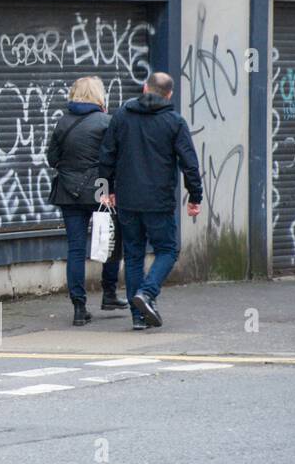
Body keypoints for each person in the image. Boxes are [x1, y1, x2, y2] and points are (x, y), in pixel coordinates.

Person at [98, 71, 204, 330]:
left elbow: (107, 154)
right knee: (168, 250)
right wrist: (195, 196)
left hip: (128, 200)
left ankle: (138, 317)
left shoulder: (122, 115)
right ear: (169, 94)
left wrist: (106, 188)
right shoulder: (174, 121)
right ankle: (147, 294)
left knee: (133, 255)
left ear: (145, 89)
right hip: (159, 200)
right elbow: (189, 163)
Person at [47, 76, 126, 327]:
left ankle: (79, 308)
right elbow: (114, 159)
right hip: (100, 190)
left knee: (76, 249)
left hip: (68, 192)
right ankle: (109, 294)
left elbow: (52, 159)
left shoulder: (62, 122)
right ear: (98, 95)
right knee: (110, 242)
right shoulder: (107, 122)